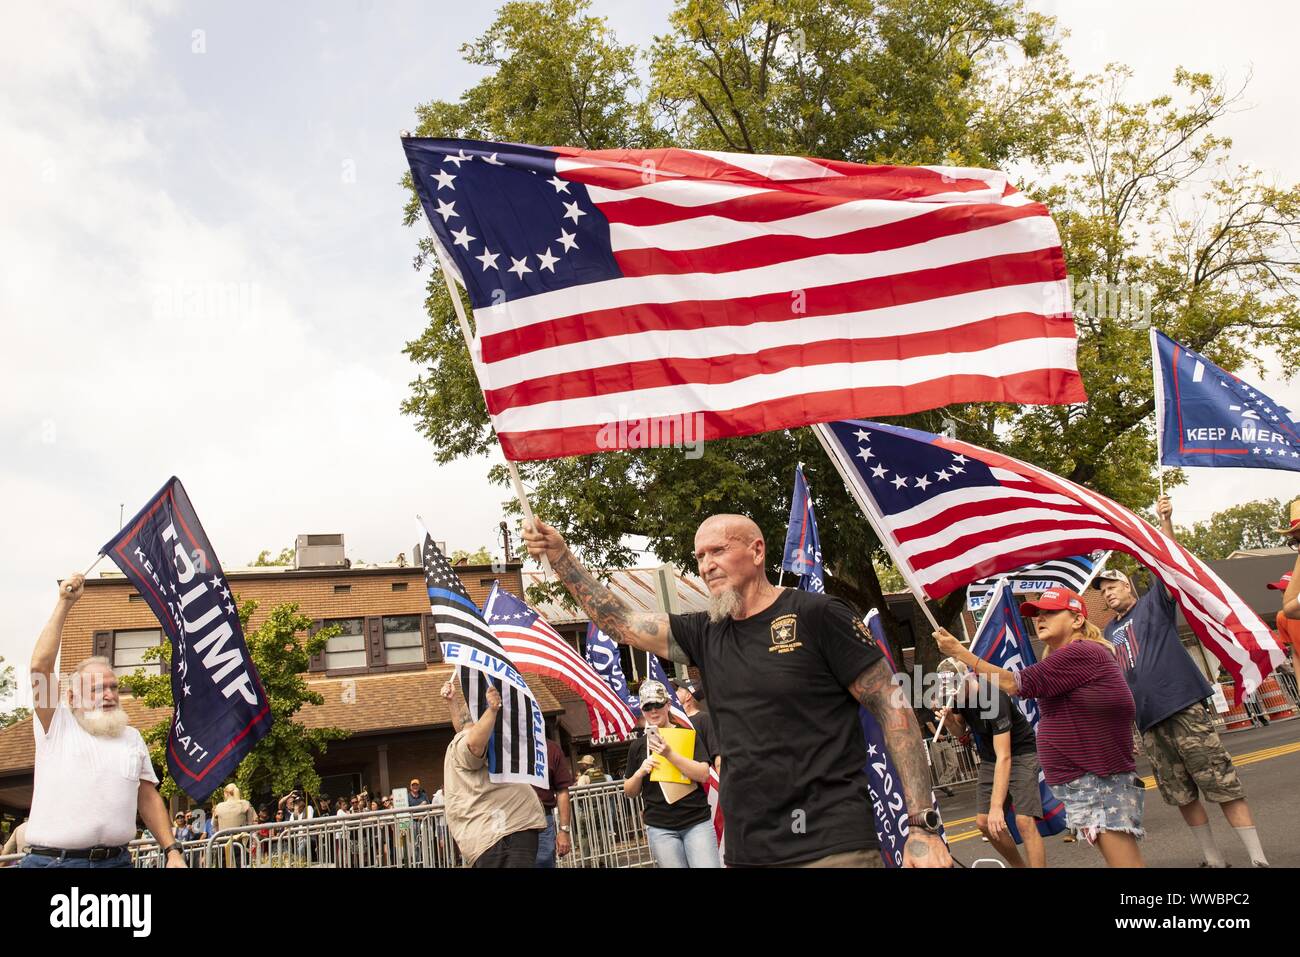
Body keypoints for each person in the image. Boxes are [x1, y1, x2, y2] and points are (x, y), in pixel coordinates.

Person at [524, 513, 950, 868]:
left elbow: (896, 713)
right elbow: (622, 623)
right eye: (699, 556)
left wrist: (922, 824)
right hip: (750, 850)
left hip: (832, 843)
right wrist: (562, 558)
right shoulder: (705, 633)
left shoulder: (818, 615)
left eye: (718, 550)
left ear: (757, 551)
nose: (706, 564)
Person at [1095, 495, 1268, 868]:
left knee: (1219, 782)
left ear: (1130, 588)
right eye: (1103, 590)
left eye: (1112, 585)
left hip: (1183, 707)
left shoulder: (1153, 604)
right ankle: (1213, 860)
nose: (1108, 592)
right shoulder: (1109, 630)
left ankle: (1257, 860)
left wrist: (1164, 521)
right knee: (1182, 794)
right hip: (1149, 723)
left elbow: (1170, 564)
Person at [936, 588, 1144, 867]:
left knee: (1124, 862)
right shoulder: (1066, 659)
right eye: (1037, 614)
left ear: (1077, 620)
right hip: (1086, 779)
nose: (1040, 619)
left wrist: (962, 653)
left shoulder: (1081, 652)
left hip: (1098, 778)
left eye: (1050, 612)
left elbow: (1015, 684)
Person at [21, 572, 185, 869]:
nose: (110, 694)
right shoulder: (56, 724)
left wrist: (172, 850)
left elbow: (146, 796)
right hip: (54, 864)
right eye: (97, 688)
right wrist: (64, 603)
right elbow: (39, 667)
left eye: (113, 687)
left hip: (118, 862)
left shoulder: (132, 737)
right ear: (71, 699)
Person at [942, 665, 1046, 868]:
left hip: (1020, 753)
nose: (951, 692)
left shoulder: (993, 697)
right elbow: (960, 730)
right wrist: (949, 723)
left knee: (1024, 821)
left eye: (954, 686)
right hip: (991, 757)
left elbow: (1005, 756)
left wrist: (997, 807)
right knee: (984, 823)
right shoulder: (958, 698)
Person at [439, 677, 546, 867]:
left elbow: (465, 731)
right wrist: (492, 710)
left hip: (504, 831)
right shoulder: (465, 742)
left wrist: (452, 703)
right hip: (501, 833)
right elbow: (471, 743)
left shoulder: (461, 742)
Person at [623, 680, 720, 868]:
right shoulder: (637, 746)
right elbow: (629, 791)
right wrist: (640, 773)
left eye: (658, 704)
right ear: (642, 710)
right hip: (660, 827)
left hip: (696, 821)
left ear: (668, 705)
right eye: (647, 706)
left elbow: (703, 774)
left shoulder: (687, 734)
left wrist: (669, 754)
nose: (653, 711)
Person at [533, 719, 575, 867]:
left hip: (542, 819)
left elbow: (563, 790)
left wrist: (564, 831)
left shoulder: (551, 749)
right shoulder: (505, 749)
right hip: (510, 821)